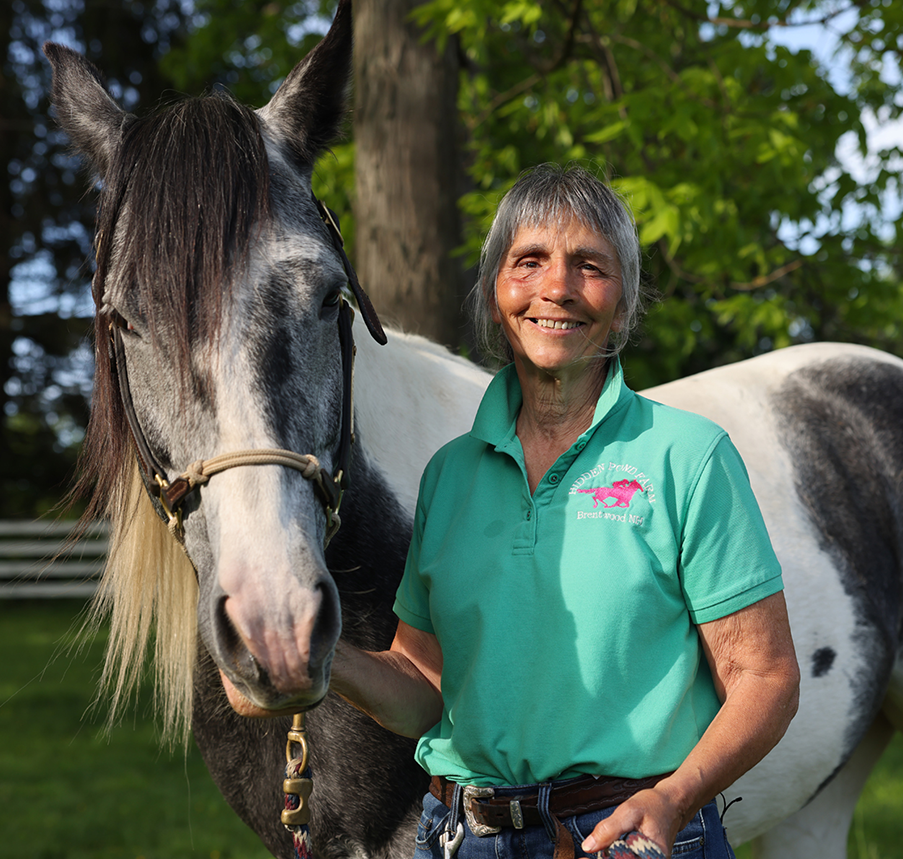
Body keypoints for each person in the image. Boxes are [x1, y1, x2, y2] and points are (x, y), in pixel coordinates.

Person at [331, 164, 799, 859]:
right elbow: (425, 683)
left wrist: (675, 796)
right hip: (461, 837)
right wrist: (319, 657)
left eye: (589, 265)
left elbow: (767, 676)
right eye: (529, 262)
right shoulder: (449, 475)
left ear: (623, 301)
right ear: (496, 294)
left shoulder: (687, 456)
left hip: (626, 836)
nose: (557, 287)